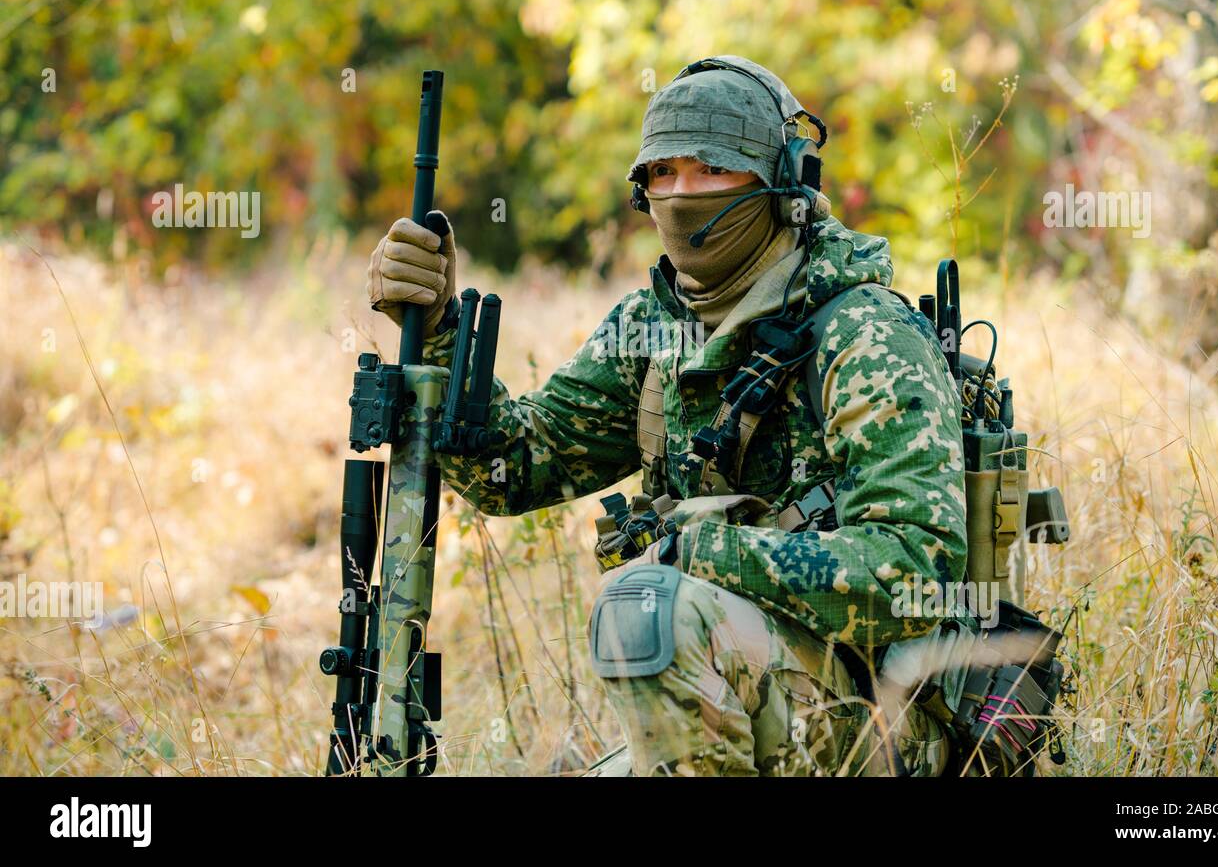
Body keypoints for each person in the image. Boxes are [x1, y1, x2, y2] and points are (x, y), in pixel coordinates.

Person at [365, 55, 967, 776]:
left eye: (711, 170)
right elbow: (516, 465)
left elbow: (916, 576)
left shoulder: (864, 333)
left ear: (783, 181)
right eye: (662, 174)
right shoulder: (655, 327)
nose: (682, 195)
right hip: (753, 695)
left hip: (886, 717)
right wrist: (436, 326)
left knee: (648, 606)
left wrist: (701, 548)